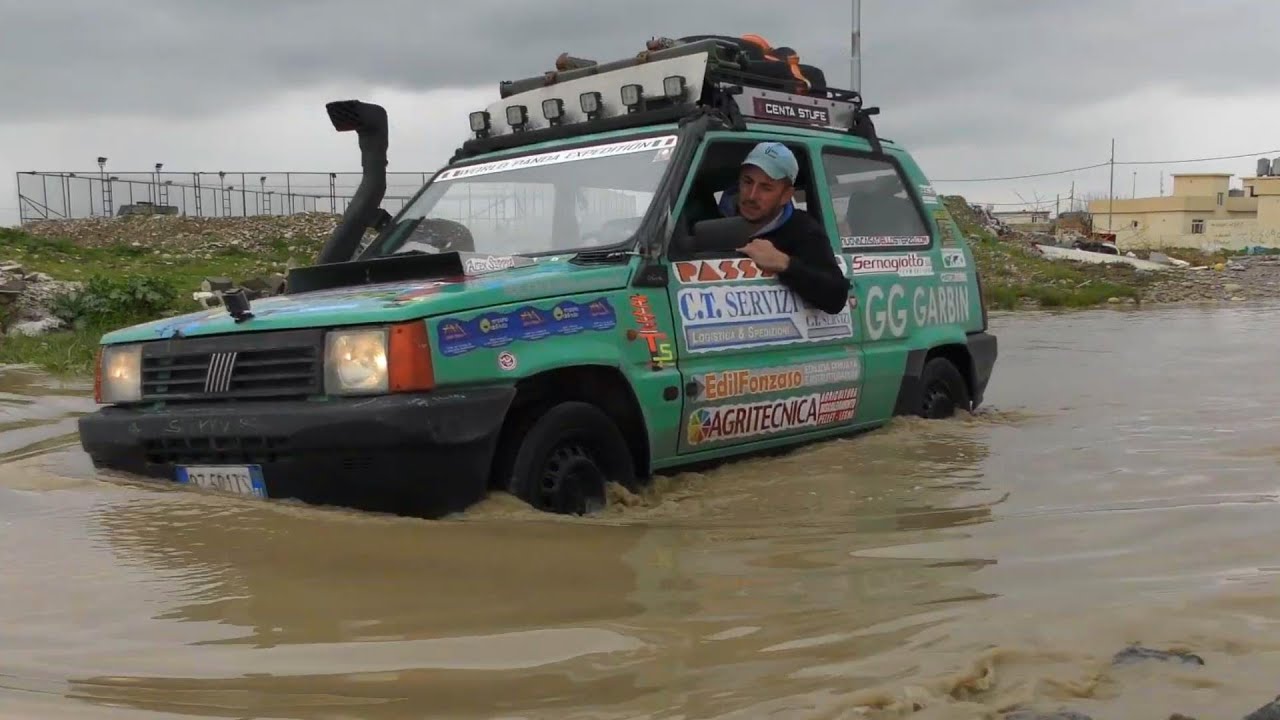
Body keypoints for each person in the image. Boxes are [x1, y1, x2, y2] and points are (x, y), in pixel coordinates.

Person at [724, 141, 850, 315]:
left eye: (766, 188)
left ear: (786, 196)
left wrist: (784, 263)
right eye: (747, 182)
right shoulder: (721, 219)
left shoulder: (804, 231)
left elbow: (836, 297)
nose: (752, 195)